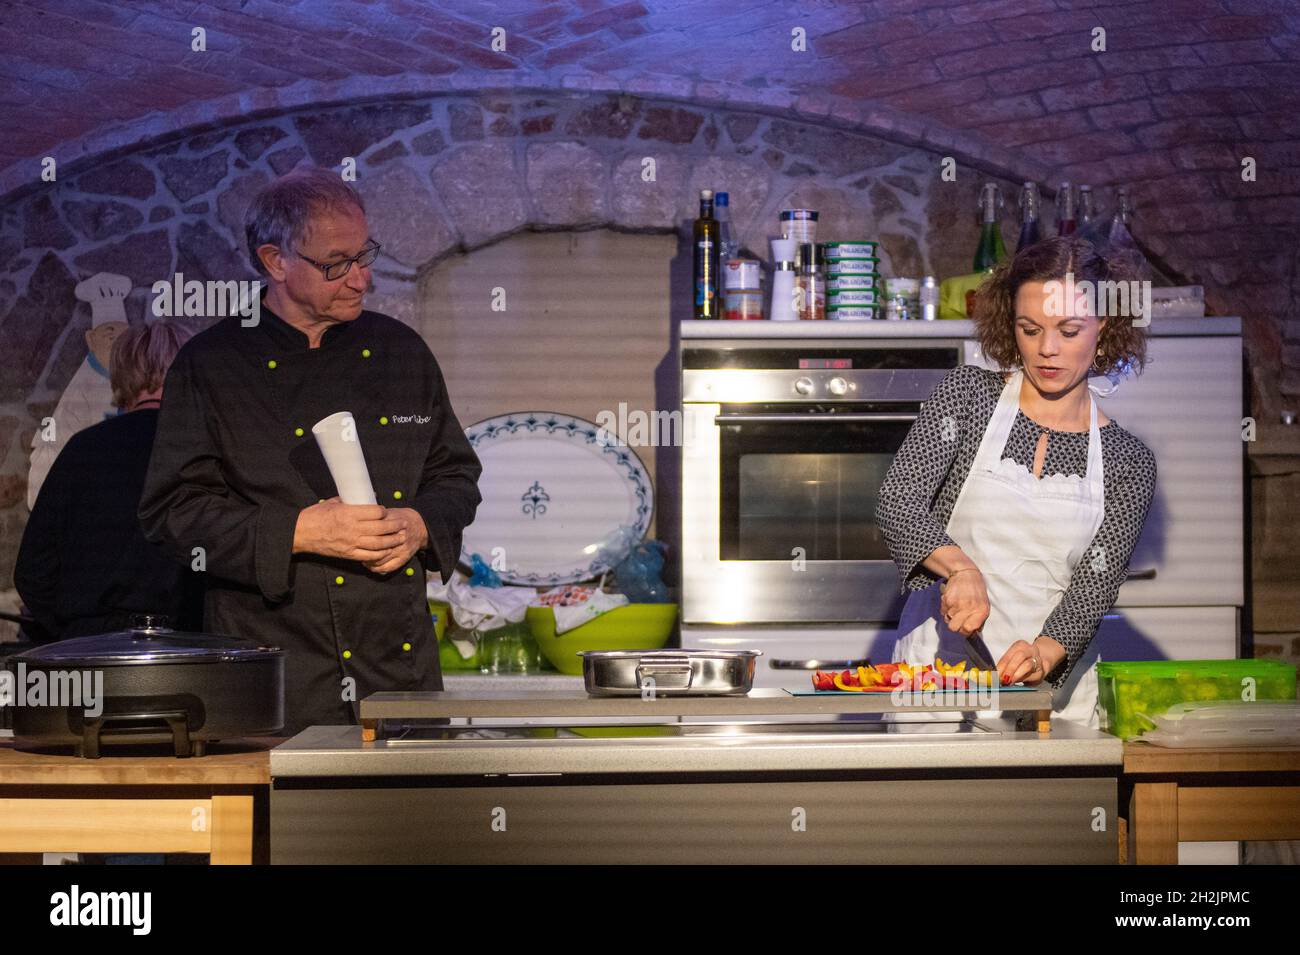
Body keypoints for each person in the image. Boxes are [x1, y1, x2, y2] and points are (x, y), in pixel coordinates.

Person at [137, 167, 482, 735]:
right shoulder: (212, 365)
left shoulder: (401, 353)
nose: (360, 278)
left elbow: (456, 476)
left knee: (411, 821)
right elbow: (172, 513)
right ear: (275, 261)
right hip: (275, 676)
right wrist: (299, 532)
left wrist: (420, 523)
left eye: (365, 254)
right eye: (336, 263)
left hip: (397, 673)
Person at [874, 237, 1157, 728]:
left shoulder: (1128, 460)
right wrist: (960, 569)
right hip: (938, 687)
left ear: (1104, 325)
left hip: (1052, 699)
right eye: (1031, 329)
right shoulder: (967, 398)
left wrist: (1045, 654)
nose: (1047, 349)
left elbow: (1096, 583)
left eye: (1069, 331)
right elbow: (899, 500)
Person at [16, 320, 203, 641]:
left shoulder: (81, 449)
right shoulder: (204, 450)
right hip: (186, 646)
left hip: (89, 649)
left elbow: (34, 572)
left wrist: (73, 631)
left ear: (120, 372)